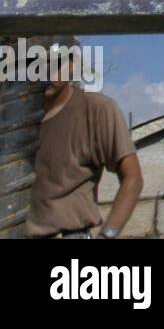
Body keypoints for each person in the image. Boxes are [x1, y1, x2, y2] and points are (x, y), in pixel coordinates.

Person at [25, 46, 141, 238]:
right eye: (34, 64)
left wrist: (108, 234)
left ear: (73, 64)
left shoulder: (97, 110)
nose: (44, 73)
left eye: (53, 64)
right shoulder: (13, 120)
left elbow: (133, 178)